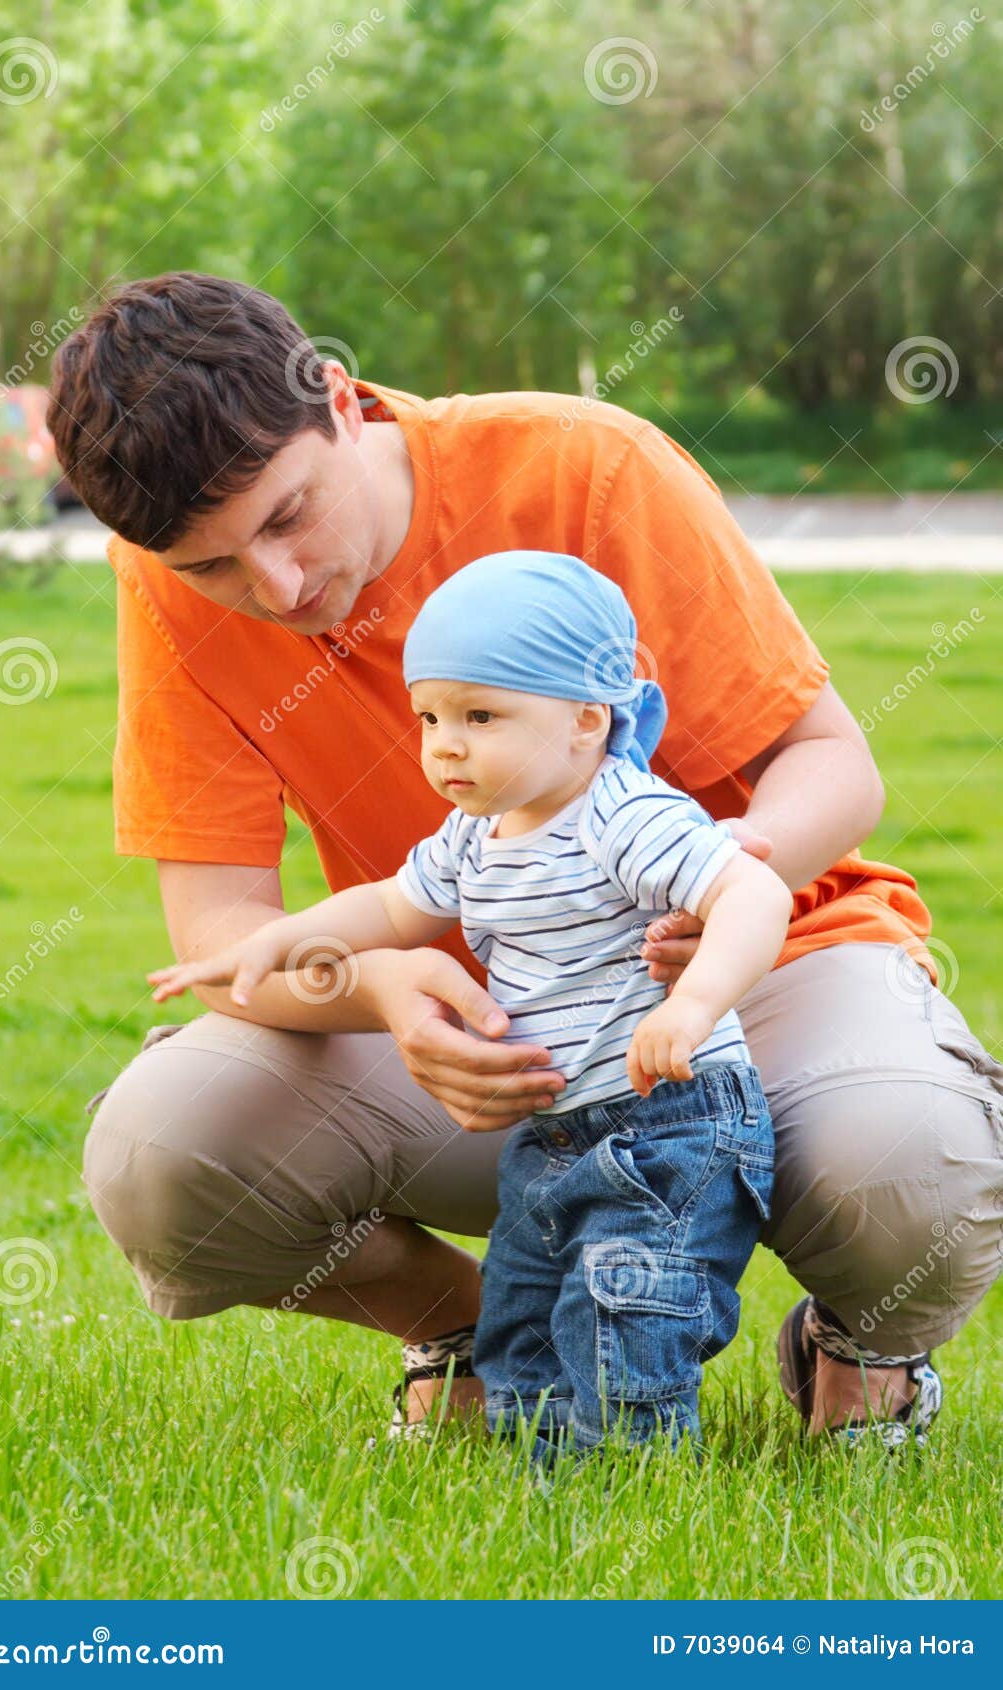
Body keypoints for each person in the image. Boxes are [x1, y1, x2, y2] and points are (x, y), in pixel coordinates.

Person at [46, 272, 1003, 1447]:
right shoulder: (161, 585)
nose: (275, 589)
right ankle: (486, 1334)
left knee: (913, 1165)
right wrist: (380, 986)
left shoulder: (583, 468)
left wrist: (727, 878)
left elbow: (835, 766)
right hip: (485, 1032)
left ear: (340, 403)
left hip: (759, 976)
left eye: (287, 517)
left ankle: (861, 1352)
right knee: (164, 1153)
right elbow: (221, 935)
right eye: (212, 568)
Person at [146, 551, 791, 1455]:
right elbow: (385, 909)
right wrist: (271, 940)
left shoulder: (623, 813)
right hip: (555, 1130)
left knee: (627, 1307)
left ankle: (631, 1479)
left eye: (480, 716)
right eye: (430, 716)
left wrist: (692, 1005)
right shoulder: (475, 835)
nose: (444, 743)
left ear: (583, 719)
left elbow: (754, 895)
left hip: (670, 1125)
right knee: (524, 1308)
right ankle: (539, 1462)